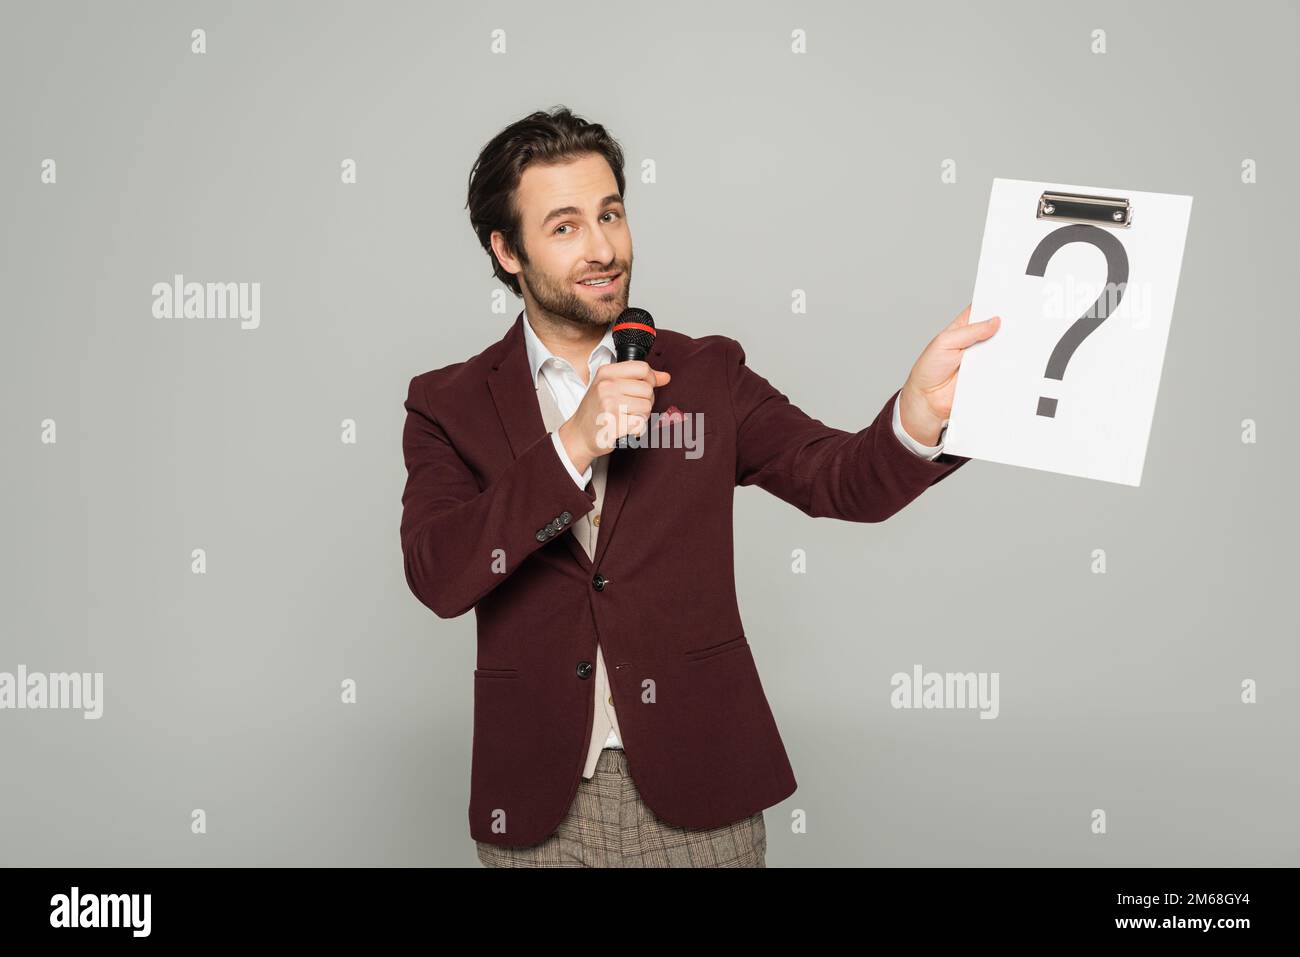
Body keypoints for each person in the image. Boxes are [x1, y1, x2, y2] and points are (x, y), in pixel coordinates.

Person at [400, 106, 1000, 867]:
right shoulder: (447, 403)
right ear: (506, 249)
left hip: (701, 801)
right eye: (564, 227)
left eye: (610, 213)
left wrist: (916, 418)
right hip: (533, 808)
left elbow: (840, 479)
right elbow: (440, 574)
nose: (603, 248)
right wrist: (573, 442)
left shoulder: (707, 376)